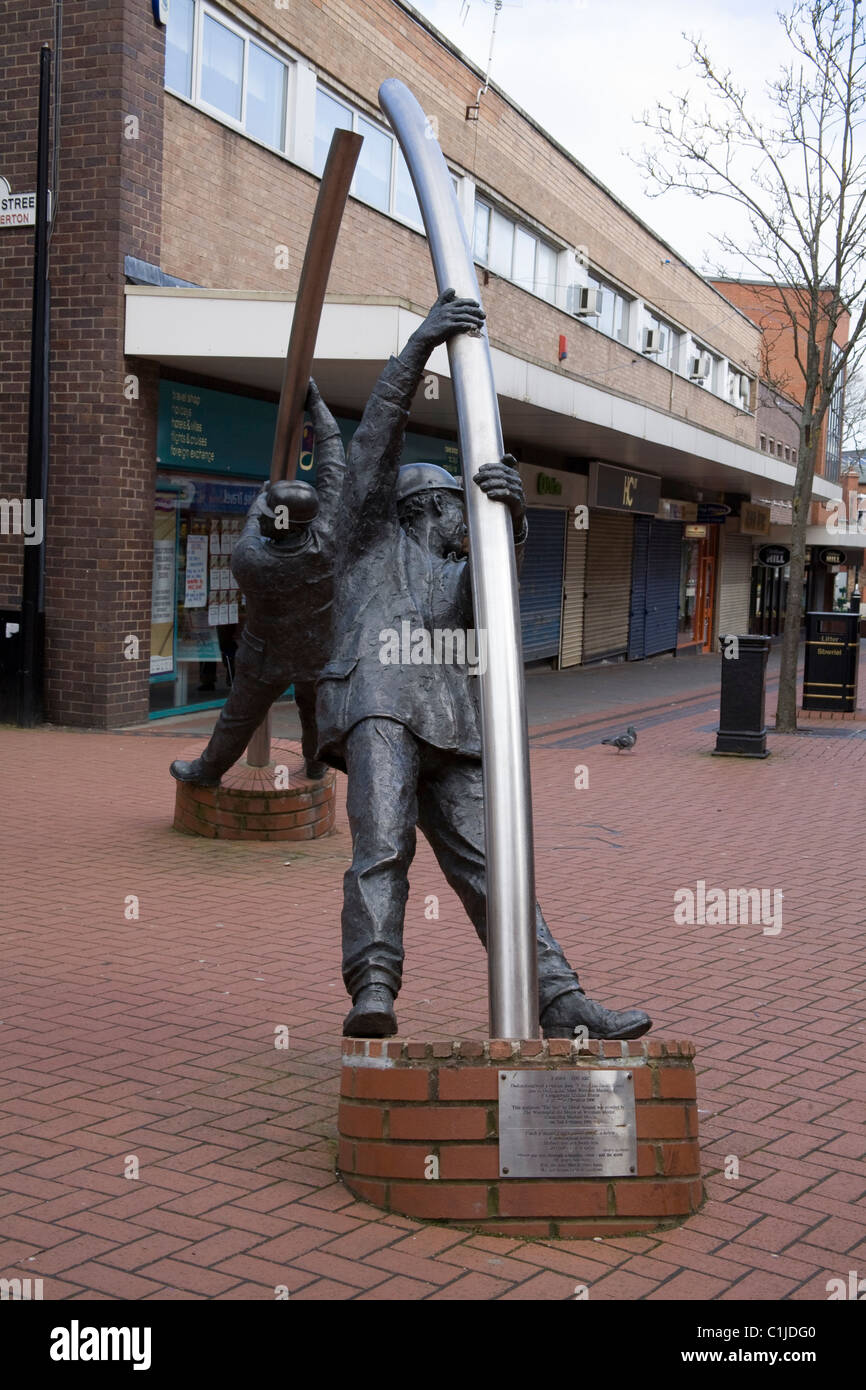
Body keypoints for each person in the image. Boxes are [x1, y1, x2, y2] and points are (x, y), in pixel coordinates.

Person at [316, 289, 652, 1041]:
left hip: (452, 731)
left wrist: (513, 519)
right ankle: (373, 985)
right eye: (455, 508)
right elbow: (373, 443)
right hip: (381, 707)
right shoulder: (370, 544)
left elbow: (482, 602)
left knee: (497, 870)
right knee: (382, 846)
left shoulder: (456, 569)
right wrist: (419, 348)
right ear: (423, 508)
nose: (461, 521)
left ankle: (559, 1001)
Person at [170, 380, 344, 787]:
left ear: (278, 522)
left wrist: (257, 501)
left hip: (266, 656)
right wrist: (318, 405)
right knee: (313, 709)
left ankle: (207, 771)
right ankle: (316, 763)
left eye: (269, 513)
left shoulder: (253, 559)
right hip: (318, 649)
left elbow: (251, 528)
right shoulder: (329, 534)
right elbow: (334, 462)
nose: (263, 516)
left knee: (240, 715)